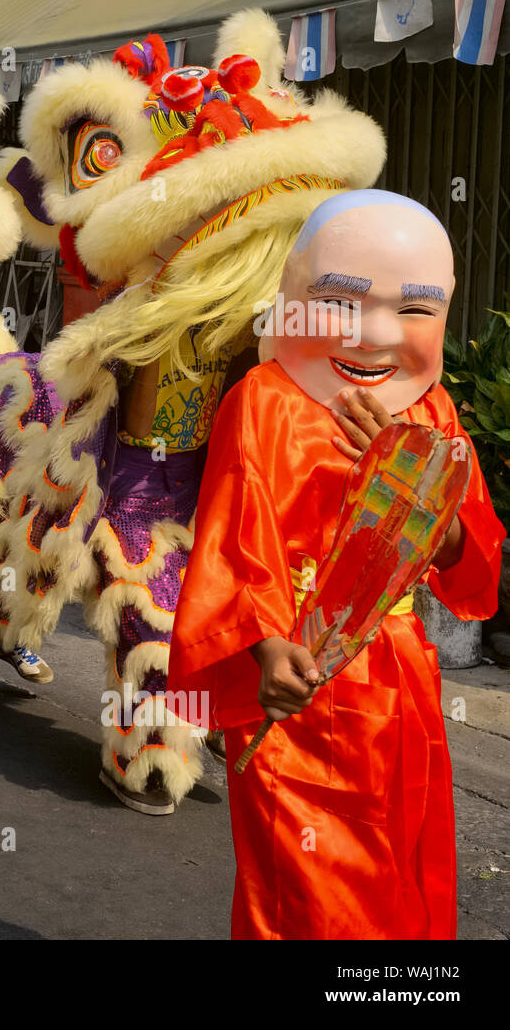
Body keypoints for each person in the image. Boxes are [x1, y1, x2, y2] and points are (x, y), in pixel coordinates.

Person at [168, 191, 505, 939]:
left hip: (399, 684)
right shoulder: (264, 401)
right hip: (300, 683)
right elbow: (232, 544)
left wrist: (414, 490)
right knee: (305, 895)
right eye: (343, 301)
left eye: (414, 309)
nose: (378, 333)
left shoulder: (433, 412)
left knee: (401, 874)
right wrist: (264, 649)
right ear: (295, 298)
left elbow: (466, 559)